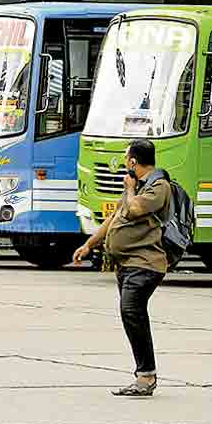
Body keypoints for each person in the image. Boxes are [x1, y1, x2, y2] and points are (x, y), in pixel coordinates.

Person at [73, 139, 170, 397]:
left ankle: (146, 375)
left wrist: (129, 190)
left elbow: (134, 209)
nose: (125, 163)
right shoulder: (139, 185)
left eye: (127, 159)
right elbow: (115, 217)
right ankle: (144, 373)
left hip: (146, 263)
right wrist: (89, 244)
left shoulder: (159, 186)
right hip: (127, 263)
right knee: (132, 315)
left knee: (131, 311)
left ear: (133, 162)